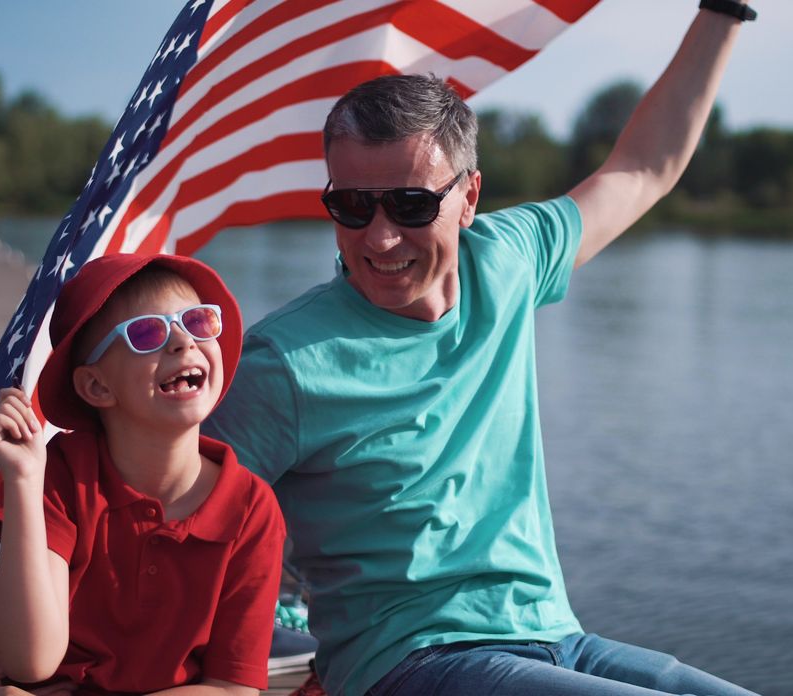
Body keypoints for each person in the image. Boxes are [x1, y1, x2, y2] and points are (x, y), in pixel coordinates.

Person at [200, 5, 762, 696]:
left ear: (468, 199)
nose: (378, 238)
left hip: (558, 636)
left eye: (408, 206)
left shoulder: (509, 260)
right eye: (351, 206)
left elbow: (644, 168)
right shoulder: (284, 362)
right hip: (409, 661)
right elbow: (172, 515)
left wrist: (724, 13)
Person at [0, 253, 285, 695]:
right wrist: (22, 479)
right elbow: (29, 661)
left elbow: (233, 688)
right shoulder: (60, 477)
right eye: (147, 333)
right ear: (97, 386)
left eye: (198, 322)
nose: (183, 342)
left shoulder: (250, 508)